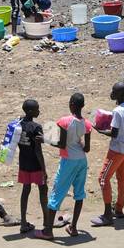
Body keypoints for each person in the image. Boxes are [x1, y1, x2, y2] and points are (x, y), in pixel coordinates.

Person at [40, 93, 92, 239]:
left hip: (68, 160)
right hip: (82, 160)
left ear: (71, 104)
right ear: (82, 106)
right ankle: (73, 227)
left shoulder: (64, 121)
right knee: (79, 194)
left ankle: (48, 231)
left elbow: (62, 144)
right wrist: (79, 143)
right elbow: (87, 148)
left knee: (57, 193)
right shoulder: (87, 124)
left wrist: (45, 140)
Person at [91, 81, 124, 226]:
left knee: (103, 178)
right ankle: (119, 209)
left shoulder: (117, 111)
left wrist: (99, 130)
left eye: (114, 91)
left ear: (121, 94)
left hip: (116, 150)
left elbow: (114, 133)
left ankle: (107, 215)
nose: (112, 93)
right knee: (122, 179)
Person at [16, 99, 48, 234]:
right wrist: (44, 169)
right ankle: (47, 221)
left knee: (25, 191)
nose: (39, 111)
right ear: (30, 111)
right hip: (35, 165)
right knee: (43, 190)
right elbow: (38, 150)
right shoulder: (36, 127)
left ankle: (23, 222)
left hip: (23, 164)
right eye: (37, 109)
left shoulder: (18, 125)